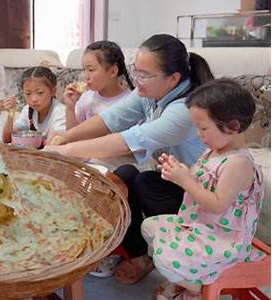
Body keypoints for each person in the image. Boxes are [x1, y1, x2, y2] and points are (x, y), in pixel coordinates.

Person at [45, 34, 214, 284]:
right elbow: (111, 119)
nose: (137, 80)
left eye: (145, 75)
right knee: (121, 178)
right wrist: (65, 138)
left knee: (142, 182)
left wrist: (65, 151)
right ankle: (138, 253)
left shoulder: (186, 110)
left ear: (174, 79)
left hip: (197, 191)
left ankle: (174, 256)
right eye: (136, 71)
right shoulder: (149, 91)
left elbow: (130, 138)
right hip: (168, 176)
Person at [143, 79, 264, 299]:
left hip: (222, 237)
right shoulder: (215, 151)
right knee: (149, 226)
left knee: (164, 259)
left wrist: (185, 181)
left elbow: (217, 205)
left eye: (203, 128)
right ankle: (189, 281)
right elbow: (203, 181)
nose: (199, 134)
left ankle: (199, 288)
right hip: (198, 225)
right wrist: (181, 172)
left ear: (233, 126)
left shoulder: (238, 163)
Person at [63, 40, 133, 130]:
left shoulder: (130, 102)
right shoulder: (86, 99)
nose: (85, 76)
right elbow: (71, 136)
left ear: (113, 71)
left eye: (91, 70)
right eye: (84, 69)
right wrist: (70, 108)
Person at [2, 66, 65, 145]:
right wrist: (10, 114)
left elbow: (57, 142)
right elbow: (7, 139)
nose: (33, 99)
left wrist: (33, 142)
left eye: (40, 93)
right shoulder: (27, 110)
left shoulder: (60, 112)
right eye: (28, 94)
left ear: (53, 91)